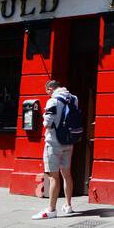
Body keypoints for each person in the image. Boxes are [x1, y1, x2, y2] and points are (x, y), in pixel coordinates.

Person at [33, 78, 79, 219]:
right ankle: (68, 205)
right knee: (67, 174)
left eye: (47, 92)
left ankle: (51, 210)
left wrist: (44, 116)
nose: (48, 94)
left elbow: (47, 124)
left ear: (50, 89)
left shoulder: (53, 101)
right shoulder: (74, 98)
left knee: (53, 177)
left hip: (54, 143)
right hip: (69, 141)